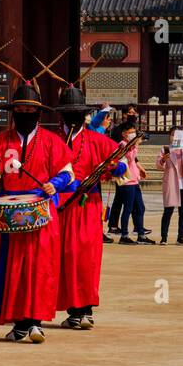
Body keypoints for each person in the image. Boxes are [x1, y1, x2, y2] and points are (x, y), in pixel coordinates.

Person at [0, 82, 73, 343]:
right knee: (11, 268)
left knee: (39, 268)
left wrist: (53, 184)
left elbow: (67, 173)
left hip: (40, 211)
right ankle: (18, 321)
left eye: (29, 109)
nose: (25, 113)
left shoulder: (51, 142)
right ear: (14, 112)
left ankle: (35, 321)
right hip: (8, 214)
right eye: (20, 109)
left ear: (38, 113)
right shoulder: (0, 141)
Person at [55, 87, 126, 331]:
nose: (73, 117)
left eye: (77, 112)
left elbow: (120, 164)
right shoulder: (53, 139)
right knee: (60, 258)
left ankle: (84, 310)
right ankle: (71, 309)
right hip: (58, 207)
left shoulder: (97, 139)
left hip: (87, 206)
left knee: (85, 258)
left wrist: (115, 168)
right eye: (68, 113)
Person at [114, 123, 148, 245]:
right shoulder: (122, 144)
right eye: (130, 132)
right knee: (127, 208)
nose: (133, 134)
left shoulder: (131, 145)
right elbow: (129, 157)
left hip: (134, 180)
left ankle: (141, 234)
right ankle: (124, 235)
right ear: (124, 134)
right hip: (127, 181)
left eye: (134, 132)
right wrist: (136, 145)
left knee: (140, 207)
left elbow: (133, 159)